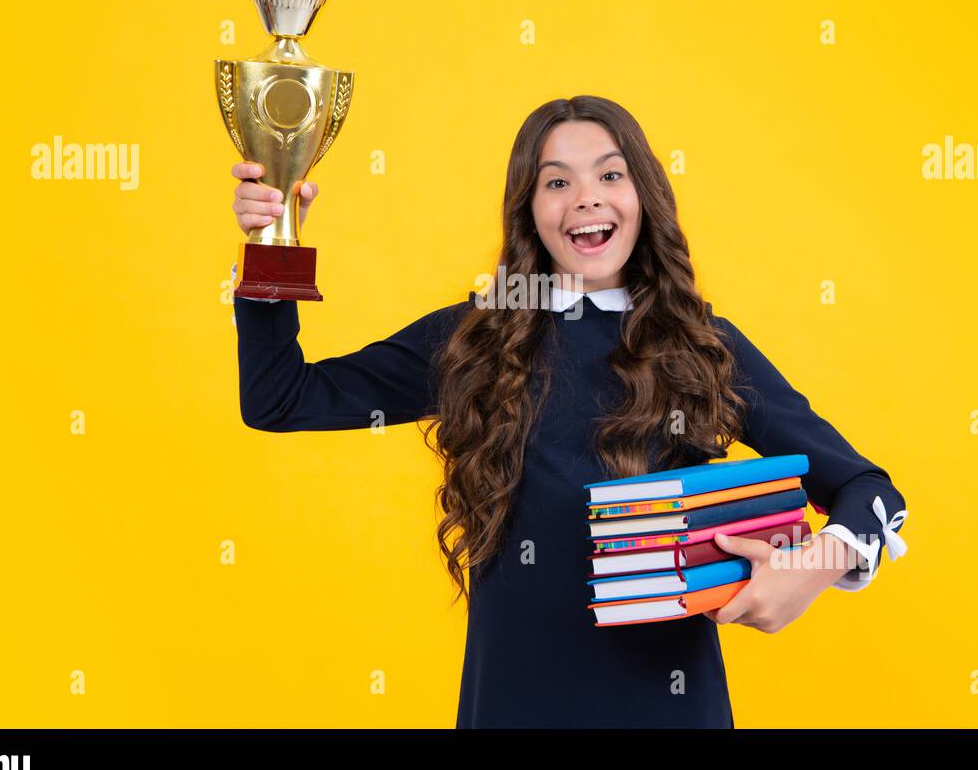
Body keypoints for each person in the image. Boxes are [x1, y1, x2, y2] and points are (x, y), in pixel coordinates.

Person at [229, 95, 909, 727]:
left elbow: (868, 490)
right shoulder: (473, 338)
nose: (586, 198)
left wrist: (815, 565)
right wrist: (271, 244)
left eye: (610, 176)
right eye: (557, 182)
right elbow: (281, 399)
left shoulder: (705, 347)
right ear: (529, 210)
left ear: (644, 196)